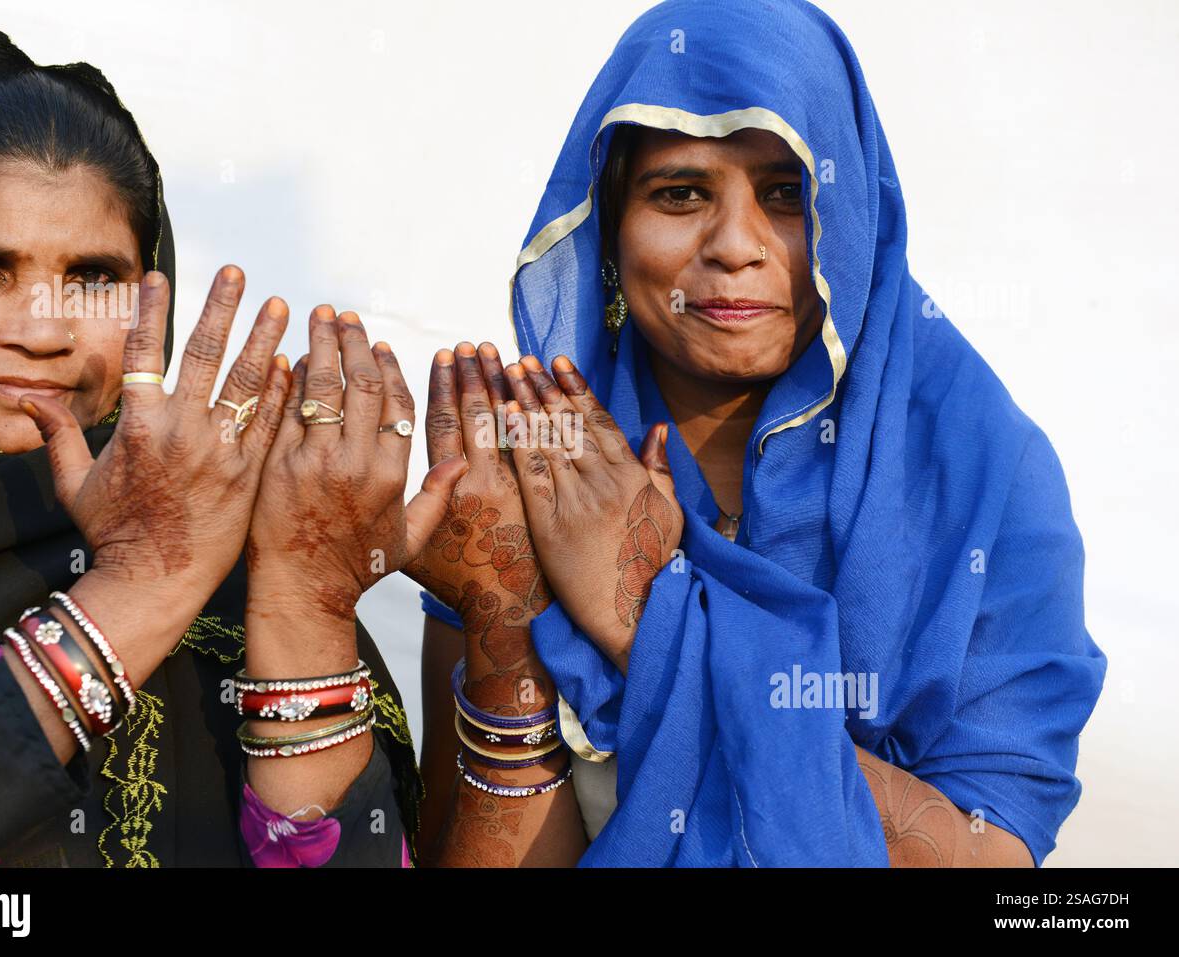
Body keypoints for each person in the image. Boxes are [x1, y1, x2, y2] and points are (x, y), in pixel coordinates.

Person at [415, 0, 1107, 866]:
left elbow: (995, 859)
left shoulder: (981, 475)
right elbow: (457, 839)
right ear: (606, 226)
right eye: (680, 192)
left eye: (788, 193)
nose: (735, 246)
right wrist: (508, 616)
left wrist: (648, 622)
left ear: (854, 213)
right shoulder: (524, 468)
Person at [0, 25, 461, 868]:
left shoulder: (239, 573)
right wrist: (137, 592)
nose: (45, 332)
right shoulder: (183, 561)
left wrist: (303, 609)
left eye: (94, 278)